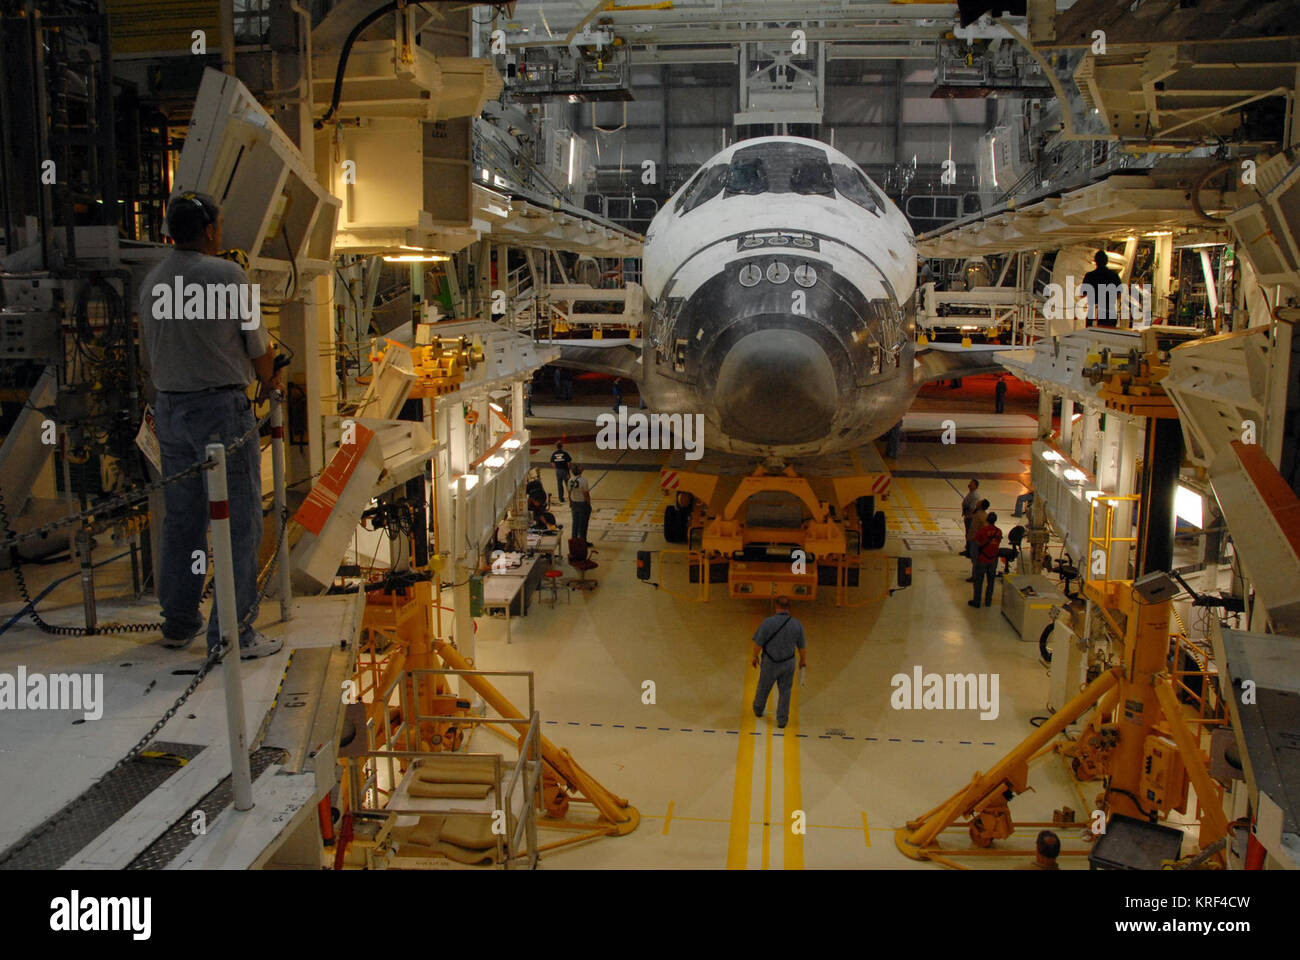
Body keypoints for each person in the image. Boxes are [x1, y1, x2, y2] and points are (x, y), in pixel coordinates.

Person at [138, 192, 281, 659]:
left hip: (169, 412)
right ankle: (233, 634)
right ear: (211, 232)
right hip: (220, 414)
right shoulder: (227, 275)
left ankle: (179, 623)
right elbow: (258, 346)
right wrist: (269, 377)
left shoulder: (153, 281)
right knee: (240, 522)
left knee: (183, 521)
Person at [750, 595, 807, 729]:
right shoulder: (797, 624)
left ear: (776, 606)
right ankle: (782, 719)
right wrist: (803, 661)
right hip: (788, 663)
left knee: (764, 686)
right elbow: (802, 647)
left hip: (770, 662)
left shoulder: (767, 623)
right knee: (785, 691)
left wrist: (755, 656)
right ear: (789, 608)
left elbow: (758, 643)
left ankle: (758, 709)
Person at [969, 511, 1003, 608]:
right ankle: (988, 600)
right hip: (993, 559)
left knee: (979, 580)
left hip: (983, 558)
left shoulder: (983, 530)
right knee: (991, 581)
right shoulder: (999, 531)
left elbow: (976, 541)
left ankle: (977, 601)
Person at [1081, 250, 1123, 328]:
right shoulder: (1114, 276)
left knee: (1092, 336)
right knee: (1108, 336)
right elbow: (1119, 294)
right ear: (1106, 261)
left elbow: (1083, 294)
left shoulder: (1089, 276)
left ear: (1095, 261)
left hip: (1094, 311)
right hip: (1109, 311)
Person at [965, 499, 989, 577]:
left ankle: (975, 575)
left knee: (975, 558)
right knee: (975, 558)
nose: (977, 502)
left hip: (976, 540)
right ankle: (977, 574)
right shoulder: (982, 514)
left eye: (979, 502)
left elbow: (974, 528)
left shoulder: (979, 515)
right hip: (978, 539)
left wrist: (971, 537)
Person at [568, 464, 592, 542]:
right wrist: (588, 504)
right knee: (583, 524)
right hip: (582, 503)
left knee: (575, 522)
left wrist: (570, 502)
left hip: (574, 502)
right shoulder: (583, 480)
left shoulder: (570, 480)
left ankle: (574, 540)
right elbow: (586, 494)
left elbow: (569, 492)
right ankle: (582, 541)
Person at [959, 479, 981, 556]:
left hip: (970, 517)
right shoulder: (971, 493)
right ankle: (968, 547)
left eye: (971, 483)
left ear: (975, 486)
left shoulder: (975, 495)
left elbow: (972, 508)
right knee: (968, 533)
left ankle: (969, 550)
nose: (969, 484)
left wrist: (968, 515)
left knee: (969, 534)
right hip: (968, 516)